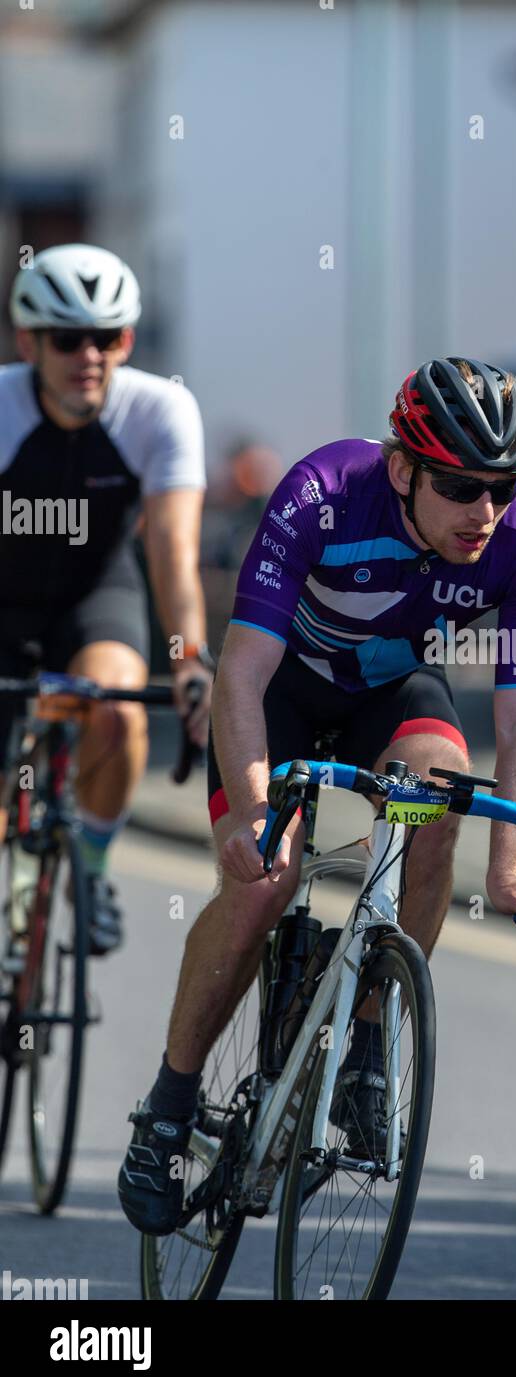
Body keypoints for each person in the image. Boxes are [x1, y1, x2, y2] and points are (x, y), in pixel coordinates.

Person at [118, 356, 516, 1235]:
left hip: (388, 696)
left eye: (504, 487)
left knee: (432, 807)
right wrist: (255, 811)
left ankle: (364, 1045)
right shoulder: (322, 491)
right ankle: (168, 1107)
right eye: (461, 486)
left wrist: (510, 863)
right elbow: (242, 671)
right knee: (265, 880)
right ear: (403, 468)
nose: (485, 512)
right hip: (279, 689)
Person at [0, 244, 212, 951]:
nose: (89, 355)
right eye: (68, 339)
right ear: (30, 342)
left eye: (109, 337)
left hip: (97, 596)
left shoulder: (160, 409)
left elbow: (174, 553)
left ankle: (89, 867)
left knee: (115, 709)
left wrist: (188, 658)